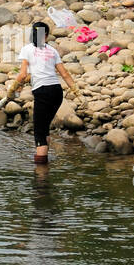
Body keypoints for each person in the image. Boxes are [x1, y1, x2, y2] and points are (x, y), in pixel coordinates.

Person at [5, 21, 80, 164]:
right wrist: (78, 94)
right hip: (57, 92)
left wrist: (11, 91)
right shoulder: (53, 50)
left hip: (43, 91)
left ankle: (41, 173)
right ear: (45, 36)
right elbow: (64, 74)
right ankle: (45, 162)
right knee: (44, 126)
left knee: (39, 131)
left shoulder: (27, 49)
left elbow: (22, 75)